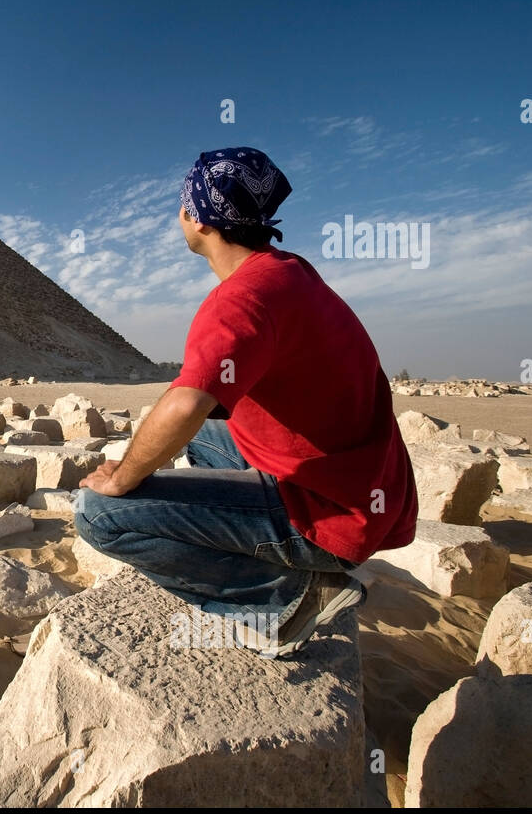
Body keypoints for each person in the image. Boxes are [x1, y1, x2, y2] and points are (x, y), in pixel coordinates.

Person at [74, 147, 417, 658]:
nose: (179, 216)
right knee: (212, 437)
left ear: (200, 218)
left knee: (99, 513)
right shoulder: (290, 272)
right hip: (367, 490)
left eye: (183, 204)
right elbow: (208, 407)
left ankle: (289, 597)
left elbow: (185, 403)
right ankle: (291, 561)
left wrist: (123, 475)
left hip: (332, 513)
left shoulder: (241, 299)